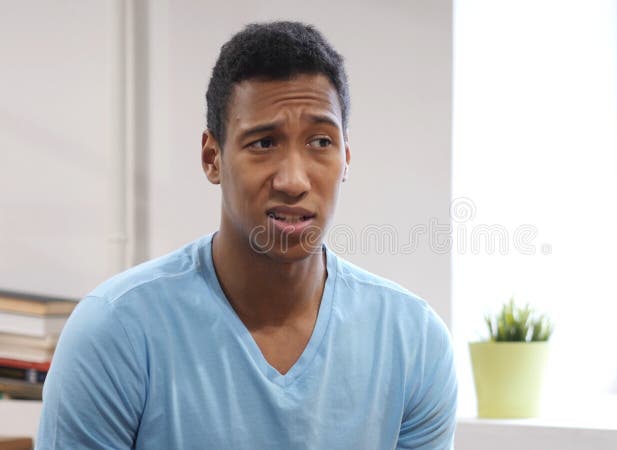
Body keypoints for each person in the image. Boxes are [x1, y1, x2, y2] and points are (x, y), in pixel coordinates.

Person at [37, 21, 457, 449]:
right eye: (263, 143)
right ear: (212, 158)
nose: (293, 180)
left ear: (346, 158)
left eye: (320, 141)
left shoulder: (414, 344)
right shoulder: (115, 332)